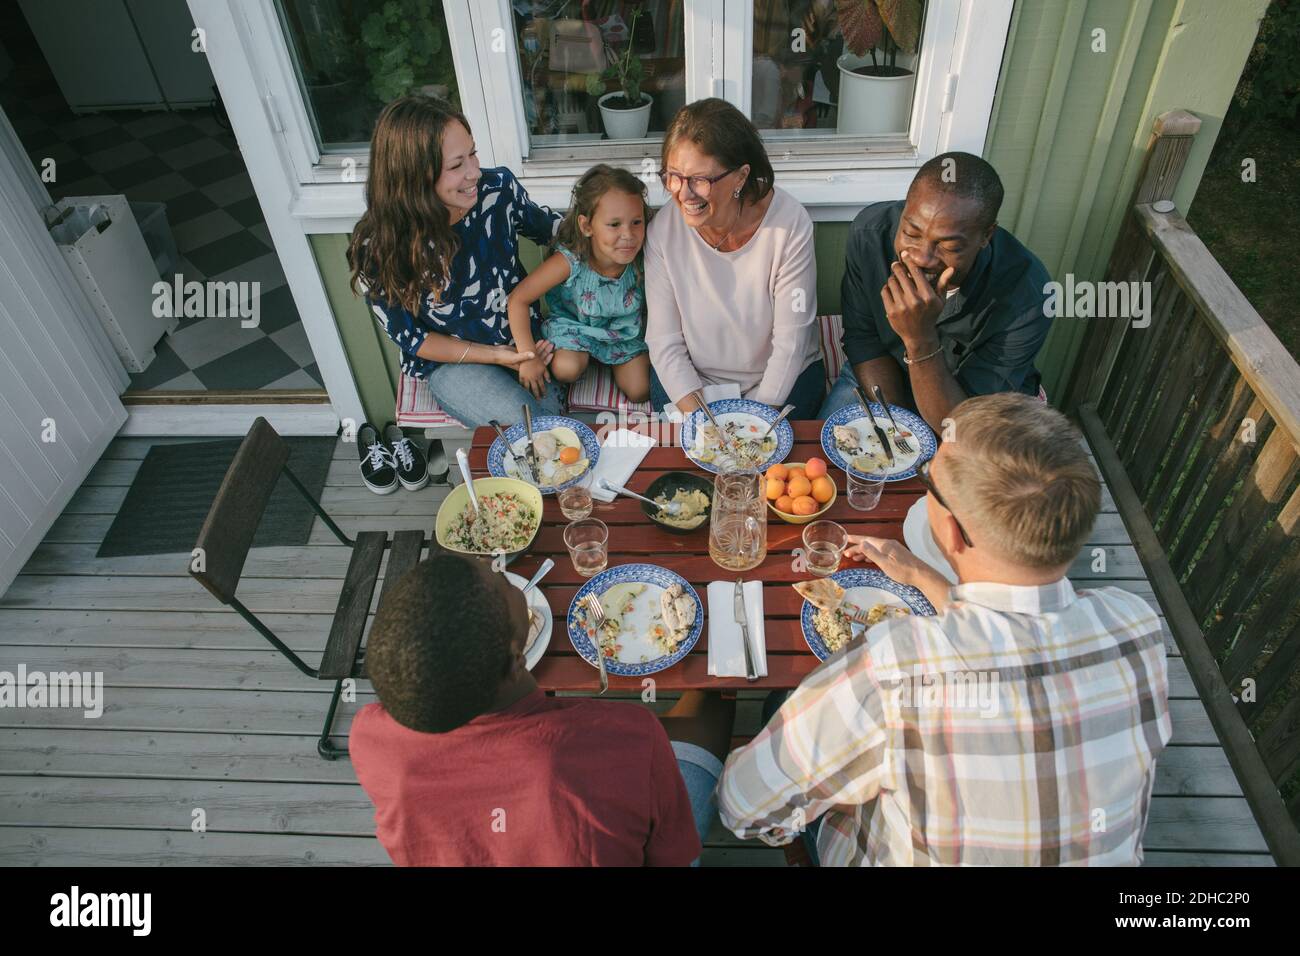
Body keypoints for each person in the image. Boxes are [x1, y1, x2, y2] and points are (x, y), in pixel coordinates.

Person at [718, 393, 1171, 865]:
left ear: (950, 530)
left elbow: (743, 809)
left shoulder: (894, 667)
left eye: (928, 481)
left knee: (782, 706)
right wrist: (919, 576)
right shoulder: (1137, 626)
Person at [350, 550, 736, 866]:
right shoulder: (630, 735)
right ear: (517, 657)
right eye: (502, 582)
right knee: (716, 699)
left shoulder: (369, 737)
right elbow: (672, 856)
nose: (502, 572)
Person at [347, 95, 564, 429]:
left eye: (473, 153)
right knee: (531, 432)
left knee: (552, 424)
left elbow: (553, 230)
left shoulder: (498, 190)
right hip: (455, 362)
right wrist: (496, 356)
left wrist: (626, 226)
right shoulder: (378, 246)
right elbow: (414, 339)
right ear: (412, 176)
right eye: (456, 165)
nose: (474, 172)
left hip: (523, 341)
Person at [820, 152, 1053, 430]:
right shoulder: (871, 233)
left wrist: (920, 338)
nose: (921, 258)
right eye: (911, 233)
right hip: (885, 376)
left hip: (968, 402)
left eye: (949, 246)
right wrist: (900, 428)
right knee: (822, 461)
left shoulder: (1026, 293)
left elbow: (960, 425)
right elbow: (864, 339)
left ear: (986, 236)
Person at [645, 98, 824, 417]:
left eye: (699, 180)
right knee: (694, 457)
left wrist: (753, 426)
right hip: (695, 383)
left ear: (741, 177)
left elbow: (791, 342)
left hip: (781, 382)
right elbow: (664, 341)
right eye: (673, 176)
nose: (683, 194)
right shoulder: (663, 232)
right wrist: (703, 421)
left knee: (769, 462)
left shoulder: (790, 225)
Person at [506, 164, 652, 404]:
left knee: (640, 390)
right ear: (586, 226)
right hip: (574, 329)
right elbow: (518, 299)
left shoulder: (643, 257)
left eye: (636, 222)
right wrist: (527, 356)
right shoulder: (571, 260)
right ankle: (583, 358)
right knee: (567, 369)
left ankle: (604, 361)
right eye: (614, 224)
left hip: (621, 334)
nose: (628, 234)